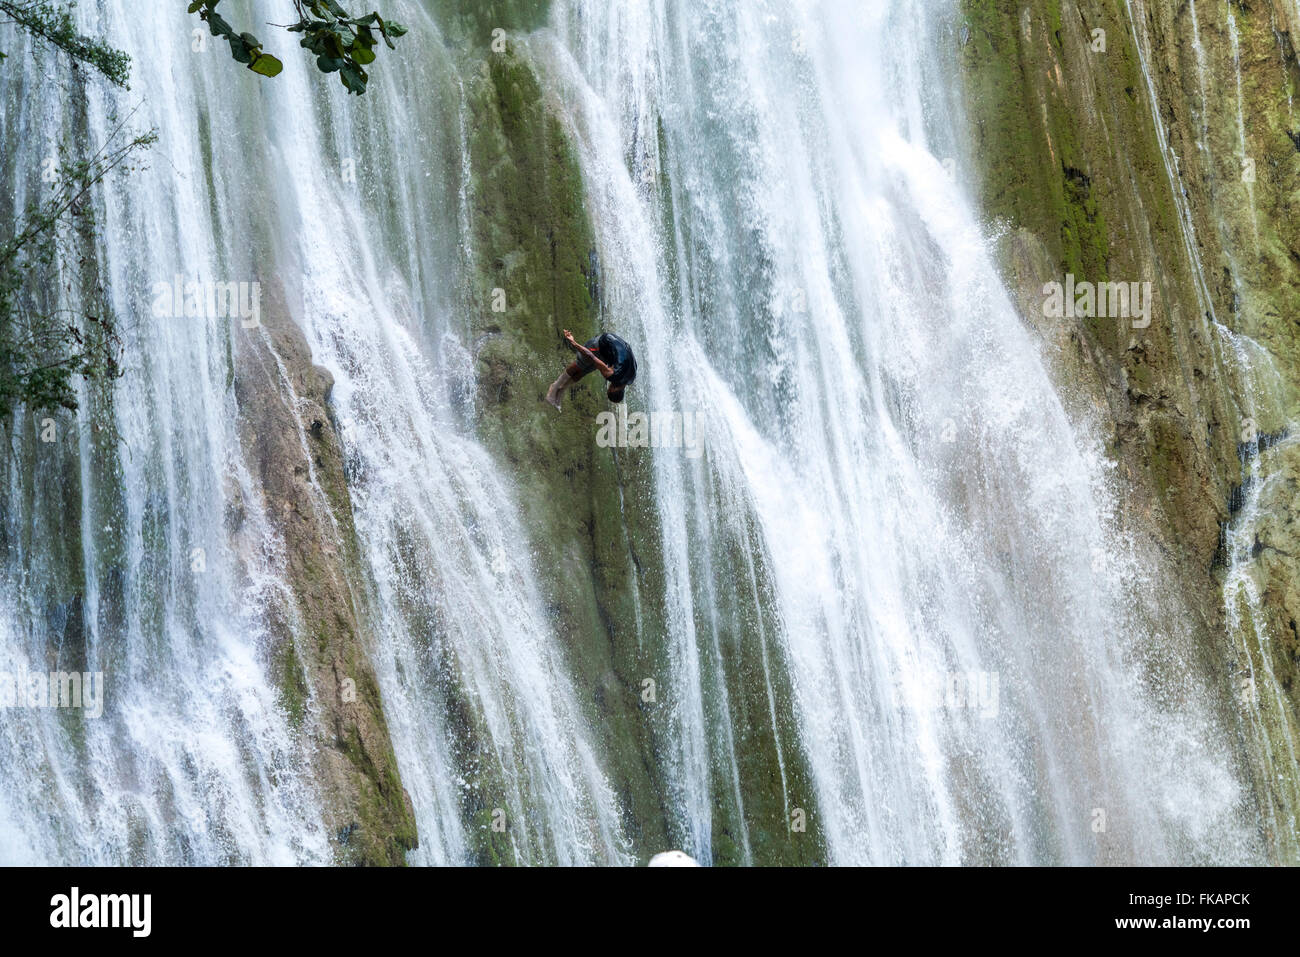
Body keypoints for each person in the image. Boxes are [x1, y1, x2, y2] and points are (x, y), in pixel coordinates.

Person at [545, 329, 637, 411]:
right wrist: (574, 342)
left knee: (583, 372)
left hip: (608, 355)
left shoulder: (630, 379)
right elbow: (590, 356)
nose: (609, 386)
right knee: (580, 364)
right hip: (602, 343)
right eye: (609, 388)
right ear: (613, 389)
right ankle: (554, 386)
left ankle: (561, 390)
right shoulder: (612, 374)